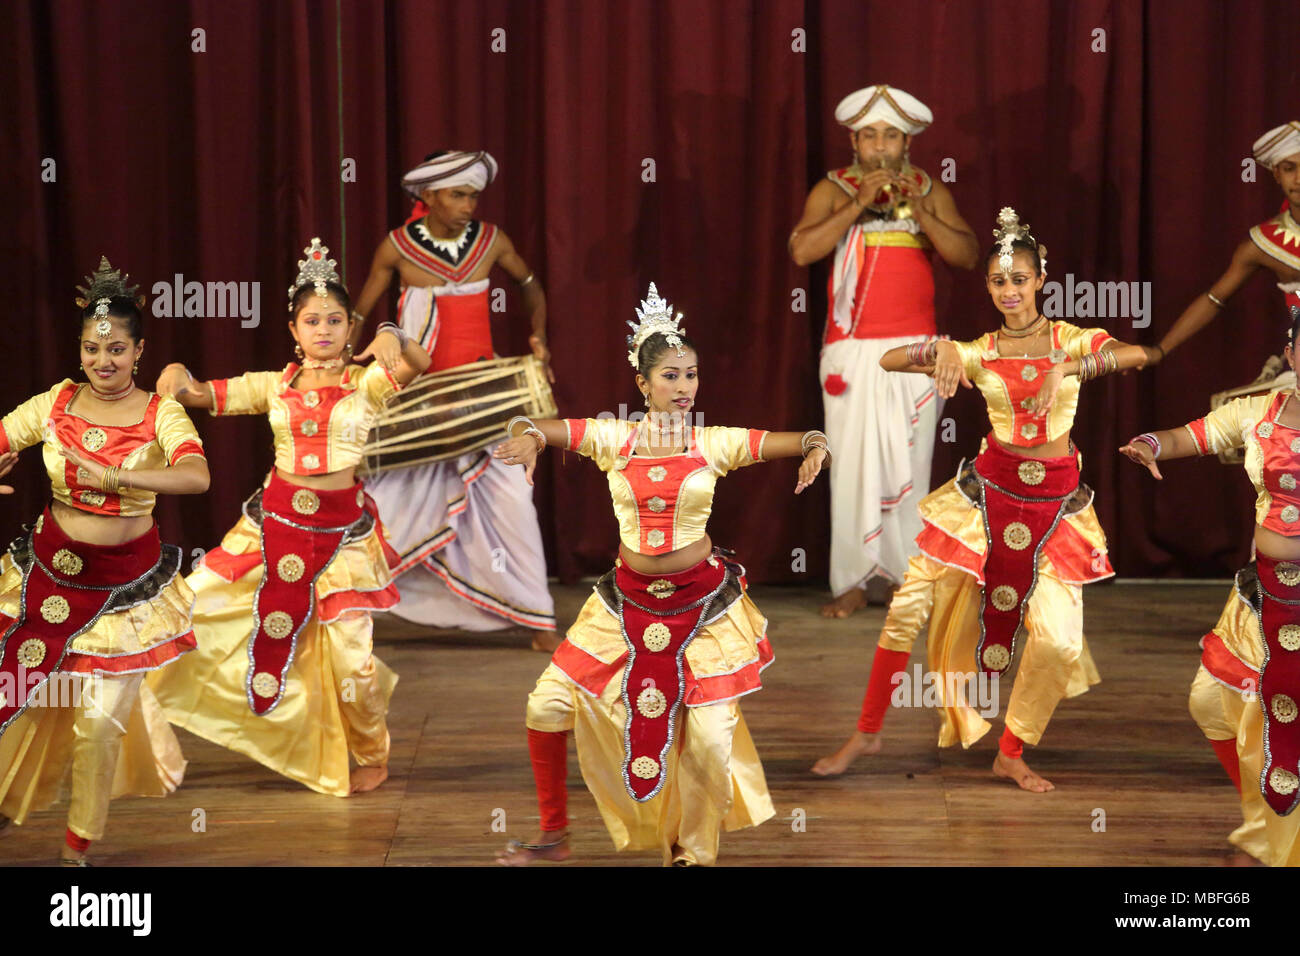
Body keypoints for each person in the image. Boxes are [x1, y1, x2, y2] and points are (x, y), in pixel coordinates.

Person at [812, 209, 1157, 791]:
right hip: (982, 498)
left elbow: (1138, 354)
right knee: (906, 608)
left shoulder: (1071, 338)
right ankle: (868, 729)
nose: (1009, 291)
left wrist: (1067, 365)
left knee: (1059, 640)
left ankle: (1012, 747)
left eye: (1019, 279)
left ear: (1041, 278)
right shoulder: (980, 348)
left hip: (1056, 507)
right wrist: (943, 348)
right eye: (998, 282)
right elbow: (889, 359)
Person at [493, 283, 829, 866]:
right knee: (544, 706)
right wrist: (527, 438)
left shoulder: (713, 443)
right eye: (671, 376)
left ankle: (692, 854)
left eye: (692, 375)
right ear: (643, 384)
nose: (684, 388)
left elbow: (793, 438)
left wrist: (815, 444)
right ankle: (553, 835)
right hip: (625, 603)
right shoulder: (613, 438)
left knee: (708, 738)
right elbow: (545, 427)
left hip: (704, 606)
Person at [149, 238, 431, 796]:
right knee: (179, 607)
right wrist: (176, 369)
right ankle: (150, 741)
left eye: (334, 320)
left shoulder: (366, 383)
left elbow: (419, 364)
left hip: (342, 539)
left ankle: (371, 750)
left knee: (354, 665)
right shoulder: (269, 386)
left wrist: (393, 336)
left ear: (350, 327)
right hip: (269, 525)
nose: (323, 329)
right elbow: (198, 394)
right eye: (311, 320)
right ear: (293, 330)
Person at [0, 257, 210, 865]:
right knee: (19, 695)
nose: (103, 361)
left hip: (125, 594)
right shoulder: (55, 402)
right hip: (49, 577)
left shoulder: (158, 413)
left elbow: (196, 476)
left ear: (139, 350)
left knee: (97, 725)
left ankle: (76, 849)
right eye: (92, 349)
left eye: (116, 348)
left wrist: (117, 474)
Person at [350, 150, 557, 646]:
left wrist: (539, 336)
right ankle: (356, 601)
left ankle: (537, 617)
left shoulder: (491, 241)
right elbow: (359, 311)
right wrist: (342, 361)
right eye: (458, 195)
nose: (469, 205)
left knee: (513, 499)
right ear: (428, 196)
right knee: (387, 502)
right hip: (417, 400)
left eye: (473, 195)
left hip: (484, 395)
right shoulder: (397, 247)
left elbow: (529, 284)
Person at [789, 84, 979, 618]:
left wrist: (920, 209)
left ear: (907, 142)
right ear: (854, 141)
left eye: (889, 135)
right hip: (850, 350)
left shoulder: (929, 190)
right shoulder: (832, 188)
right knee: (848, 465)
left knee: (912, 464)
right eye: (869, 135)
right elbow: (802, 249)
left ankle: (905, 581)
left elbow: (966, 255)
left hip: (917, 350)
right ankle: (851, 582)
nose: (879, 145)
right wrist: (856, 203)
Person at [1121, 305, 1300, 865]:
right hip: (1261, 594)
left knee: (1284, 724)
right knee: (1211, 702)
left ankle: (1278, 845)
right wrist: (1151, 444)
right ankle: (1265, 826)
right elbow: (1188, 437)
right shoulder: (1257, 413)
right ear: (1292, 352)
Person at [1158, 121, 1300, 361]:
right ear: (1276, 173)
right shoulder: (1263, 242)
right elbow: (1214, 298)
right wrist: (1160, 351)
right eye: (1289, 168)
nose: (1299, 178)